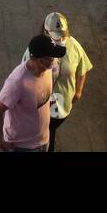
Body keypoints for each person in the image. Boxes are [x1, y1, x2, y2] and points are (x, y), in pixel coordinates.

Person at [21, 13, 93, 152]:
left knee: (49, 130)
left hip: (63, 103)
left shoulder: (74, 46)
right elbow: (25, 72)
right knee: (44, 132)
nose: (60, 37)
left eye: (62, 33)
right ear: (46, 31)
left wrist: (78, 91)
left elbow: (82, 67)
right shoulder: (35, 50)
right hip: (40, 103)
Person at [0, 34, 64, 152]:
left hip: (44, 139)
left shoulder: (48, 70)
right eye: (51, 58)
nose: (55, 61)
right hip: (21, 146)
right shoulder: (17, 82)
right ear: (41, 61)